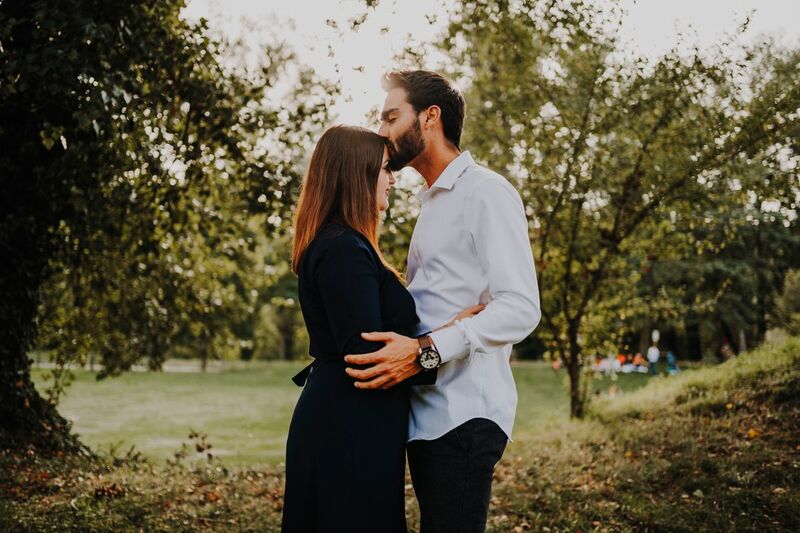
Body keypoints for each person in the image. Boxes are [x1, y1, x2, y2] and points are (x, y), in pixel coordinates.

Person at [343, 70, 541, 532]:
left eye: (391, 117)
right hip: (427, 412)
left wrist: (427, 347)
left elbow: (520, 307)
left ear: (430, 117)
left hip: (464, 413)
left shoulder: (485, 192)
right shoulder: (432, 203)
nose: (381, 131)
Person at [281, 125, 483, 533]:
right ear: (358, 173)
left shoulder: (344, 243)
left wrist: (439, 339)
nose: (392, 179)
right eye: (386, 169)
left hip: (354, 420)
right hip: (349, 427)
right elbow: (369, 355)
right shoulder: (341, 248)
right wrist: (450, 338)